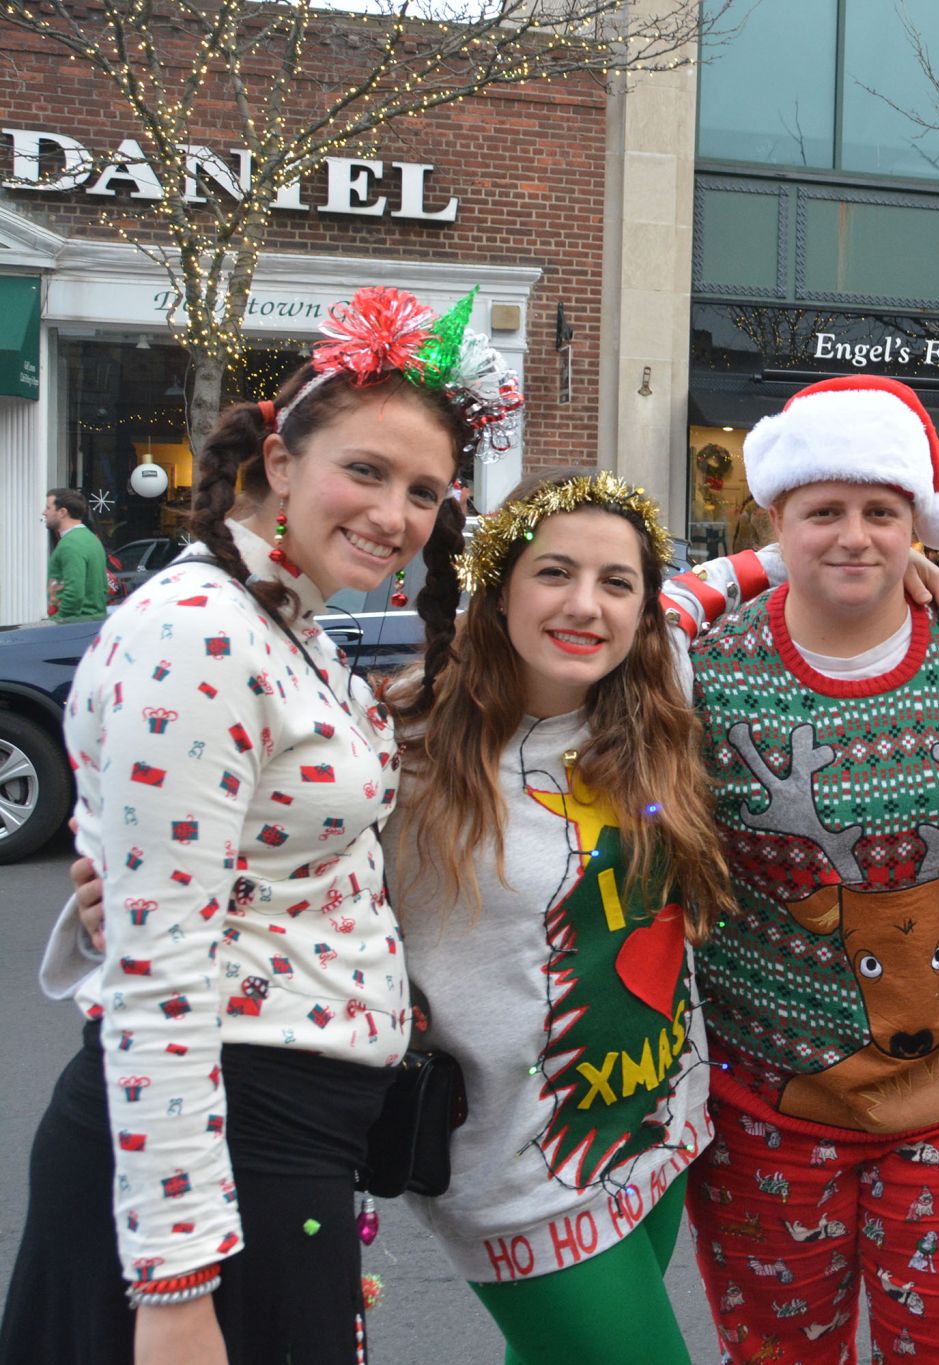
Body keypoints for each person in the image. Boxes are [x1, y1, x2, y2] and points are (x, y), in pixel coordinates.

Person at [0, 285, 500, 1365]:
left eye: (423, 490)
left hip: (282, 1138)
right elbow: (161, 978)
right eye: (366, 471)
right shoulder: (199, 632)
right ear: (279, 462)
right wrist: (176, 1284)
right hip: (223, 1148)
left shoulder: (286, 622)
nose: (395, 514)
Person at [683, 375, 939, 1361]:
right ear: (775, 520)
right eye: (823, 512)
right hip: (767, 1099)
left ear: (917, 525)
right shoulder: (702, 670)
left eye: (880, 513)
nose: (853, 536)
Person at [381, 470, 733, 1365]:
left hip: (658, 1124)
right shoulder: (402, 746)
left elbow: (714, 585)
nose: (586, 605)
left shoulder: (650, 698)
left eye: (617, 583)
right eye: (554, 573)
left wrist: (902, 557)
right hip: (519, 1174)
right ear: (499, 588)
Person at [44, 486, 108, 621]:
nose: (44, 513)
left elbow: (74, 593)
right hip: (90, 621)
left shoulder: (70, 544)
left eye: (48, 508)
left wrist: (59, 620)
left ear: (62, 512)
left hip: (73, 624)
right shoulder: (91, 538)